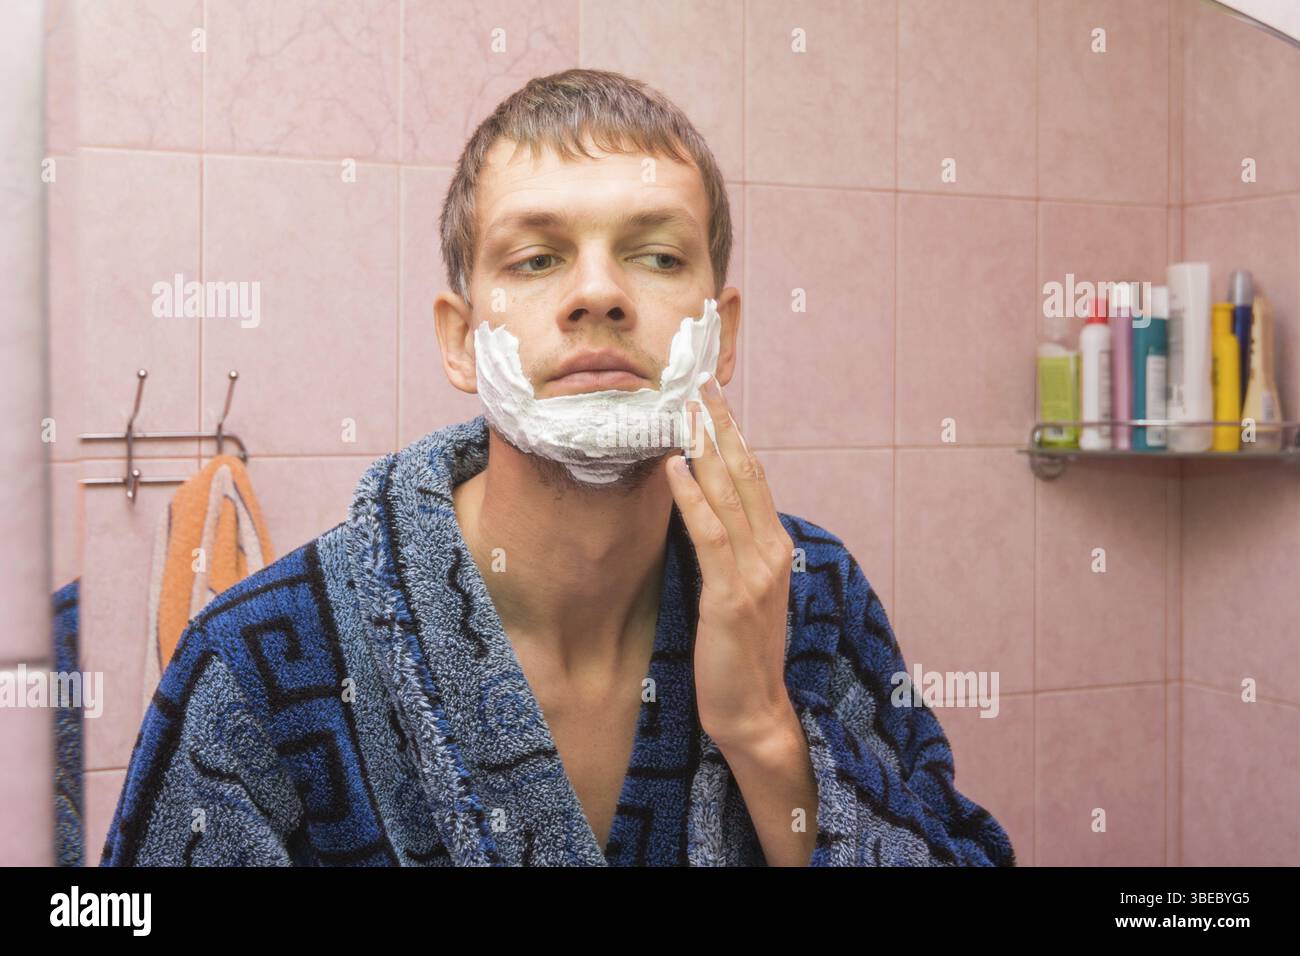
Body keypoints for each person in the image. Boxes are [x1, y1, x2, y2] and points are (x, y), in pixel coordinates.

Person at [100, 68, 1015, 867]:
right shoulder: (254, 665)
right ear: (459, 343)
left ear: (723, 333)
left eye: (656, 256)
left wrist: (766, 732)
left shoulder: (810, 599)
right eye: (538, 259)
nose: (599, 295)